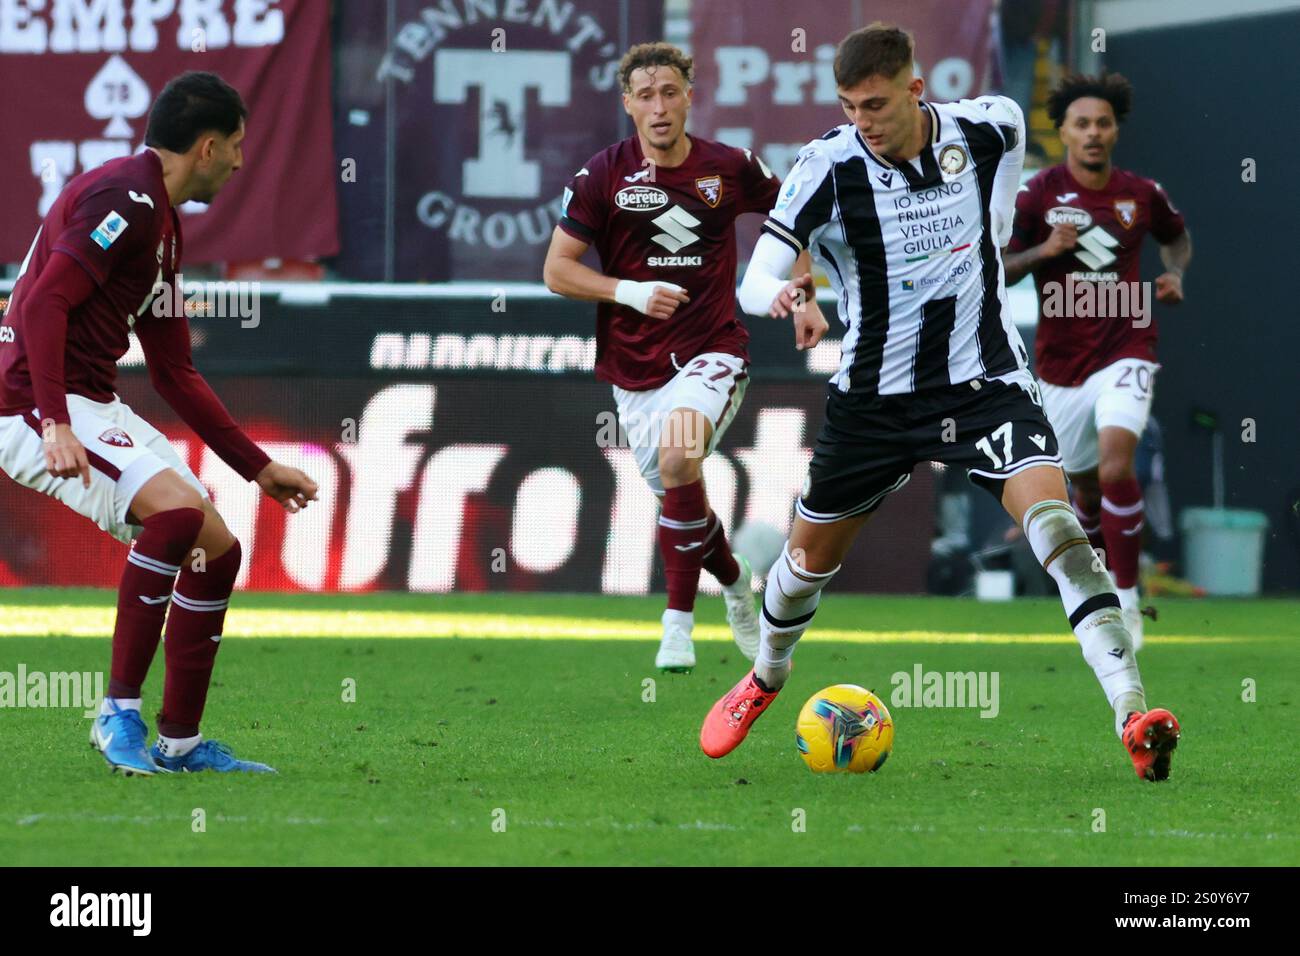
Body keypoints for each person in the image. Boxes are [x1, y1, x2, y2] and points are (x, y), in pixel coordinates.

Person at [699, 24, 1179, 782]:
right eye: (851, 106)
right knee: (802, 564)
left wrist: (985, 251)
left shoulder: (992, 127)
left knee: (1059, 529)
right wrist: (787, 292)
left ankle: (1133, 713)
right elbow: (752, 277)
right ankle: (766, 674)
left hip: (983, 382)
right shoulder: (826, 164)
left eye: (878, 105)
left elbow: (998, 213)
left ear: (916, 91)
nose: (864, 121)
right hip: (874, 403)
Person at [0, 72, 319, 775]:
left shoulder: (162, 223)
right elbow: (42, 306)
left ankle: (178, 744)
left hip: (85, 400)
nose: (240, 161)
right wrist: (53, 420)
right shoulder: (127, 199)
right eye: (235, 146)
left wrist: (257, 468)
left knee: (217, 549)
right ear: (206, 146)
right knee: (174, 520)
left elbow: (174, 370)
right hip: (29, 401)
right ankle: (117, 714)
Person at [543, 42, 828, 671]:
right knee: (682, 493)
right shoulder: (601, 176)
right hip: (632, 368)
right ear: (628, 104)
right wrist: (629, 291)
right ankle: (733, 583)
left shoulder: (728, 165)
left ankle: (676, 627)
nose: (659, 106)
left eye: (670, 91)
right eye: (645, 95)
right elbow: (557, 270)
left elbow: (792, 219)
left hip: (713, 349)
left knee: (679, 458)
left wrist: (804, 297)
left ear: (689, 95)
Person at [1003, 72, 1191, 650]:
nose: (1092, 133)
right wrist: (1045, 250)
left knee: (1116, 467)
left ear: (1115, 130)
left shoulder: (1141, 193)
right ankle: (1099, 574)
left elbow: (1176, 236)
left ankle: (1128, 601)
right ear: (1061, 131)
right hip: (1061, 365)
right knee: (1082, 492)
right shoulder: (1036, 195)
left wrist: (1174, 273)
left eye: (1102, 123)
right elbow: (999, 268)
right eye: (1081, 123)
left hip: (1128, 346)